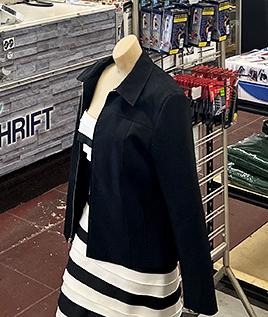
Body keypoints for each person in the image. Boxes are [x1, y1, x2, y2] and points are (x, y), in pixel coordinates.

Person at [58, 35, 217, 317]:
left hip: (137, 265)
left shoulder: (165, 100)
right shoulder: (98, 77)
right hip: (87, 241)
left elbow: (184, 199)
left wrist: (199, 289)